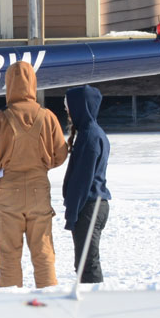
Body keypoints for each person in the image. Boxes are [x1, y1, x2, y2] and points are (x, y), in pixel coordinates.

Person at [0, 61, 68, 289]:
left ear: (8, 84)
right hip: (39, 190)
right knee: (43, 251)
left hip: (8, 191)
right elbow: (61, 153)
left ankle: (11, 306)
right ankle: (49, 301)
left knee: (8, 254)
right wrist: (43, 166)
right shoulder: (48, 116)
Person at [61, 85, 111, 283]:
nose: (66, 110)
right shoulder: (89, 133)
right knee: (84, 263)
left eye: (68, 106)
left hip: (89, 205)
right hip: (92, 204)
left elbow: (83, 179)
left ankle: (96, 305)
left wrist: (72, 212)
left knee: (87, 265)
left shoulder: (90, 136)